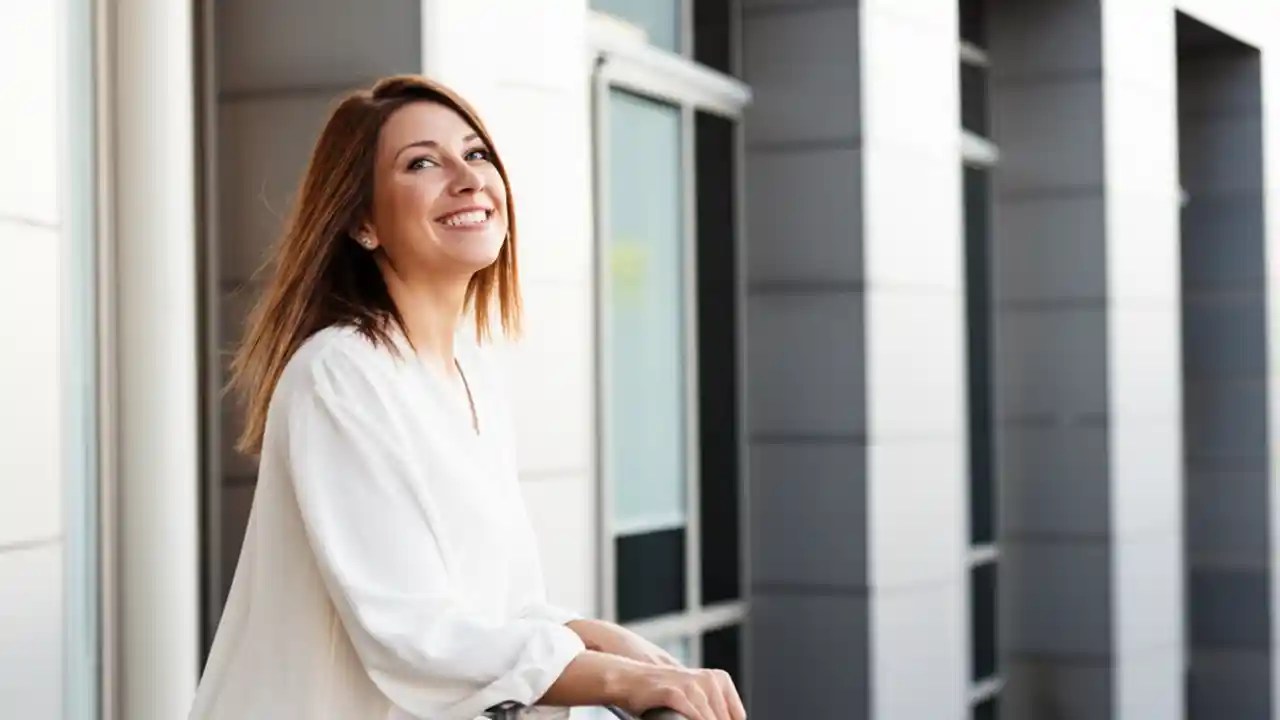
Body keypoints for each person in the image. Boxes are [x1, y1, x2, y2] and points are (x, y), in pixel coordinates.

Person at [188, 75, 747, 720]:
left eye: (476, 154)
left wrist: (599, 638)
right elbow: (412, 630)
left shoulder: (469, 370)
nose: (468, 178)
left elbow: (491, 610)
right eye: (422, 162)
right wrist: (618, 683)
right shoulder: (339, 372)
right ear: (363, 221)